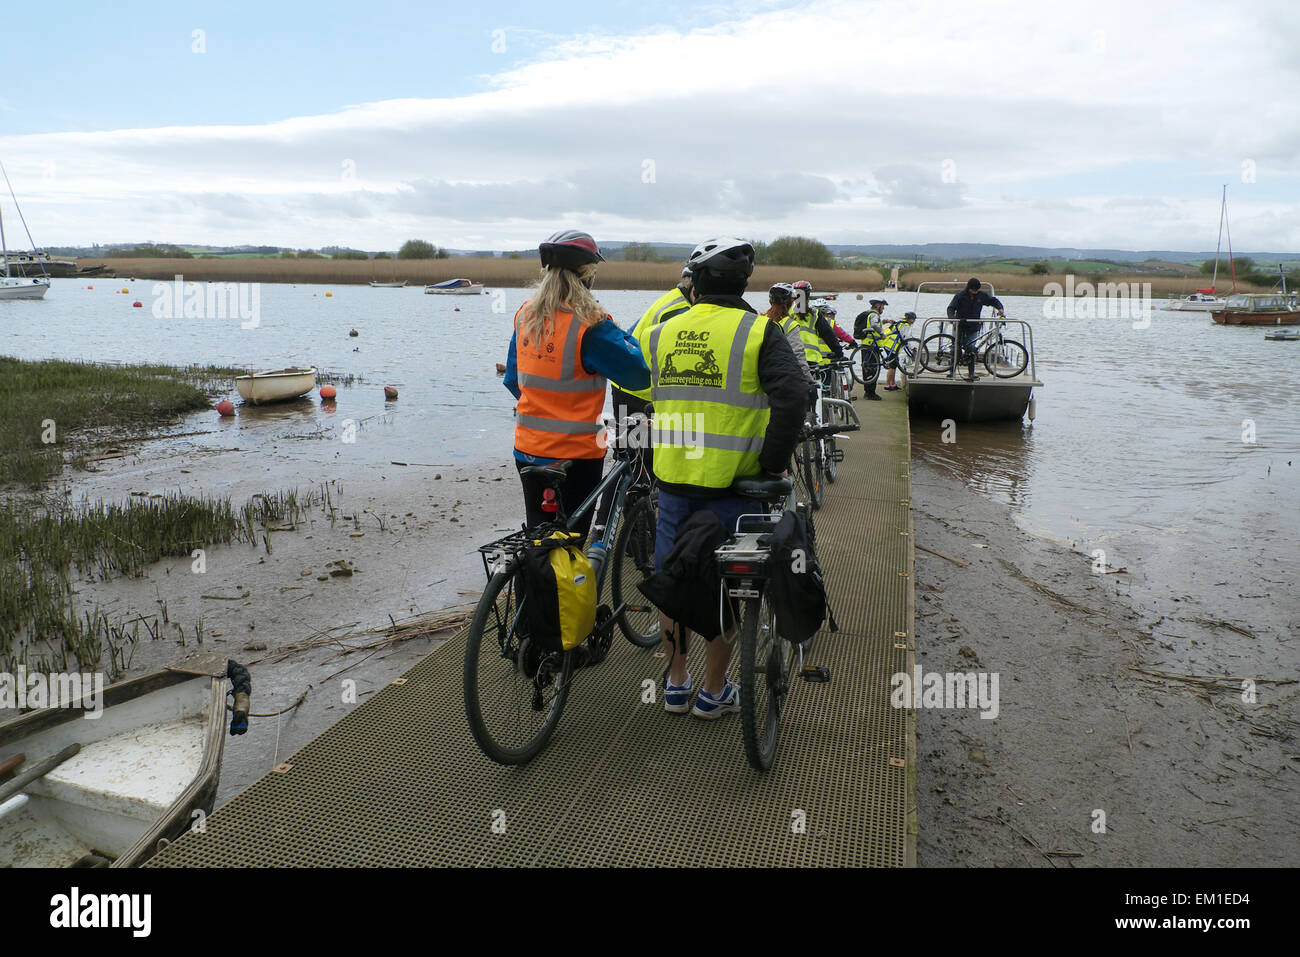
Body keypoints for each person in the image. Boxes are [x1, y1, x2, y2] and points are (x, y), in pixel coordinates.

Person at [638, 237, 805, 719]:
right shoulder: (758, 332)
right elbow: (793, 395)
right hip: (736, 487)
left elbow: (634, 385)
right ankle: (713, 692)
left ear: (695, 282)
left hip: (672, 482)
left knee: (672, 579)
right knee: (729, 585)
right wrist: (774, 463)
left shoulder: (662, 331)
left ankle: (674, 683)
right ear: (742, 283)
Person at [503, 229, 649, 538]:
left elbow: (514, 381)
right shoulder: (592, 324)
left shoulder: (525, 315)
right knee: (570, 544)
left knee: (539, 536)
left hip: (527, 449)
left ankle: (532, 585)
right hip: (576, 457)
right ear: (587, 274)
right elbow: (638, 375)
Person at [946, 277, 1005, 380]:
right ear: (968, 288)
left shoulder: (981, 295)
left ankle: (971, 373)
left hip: (973, 327)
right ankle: (952, 372)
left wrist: (1000, 308)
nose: (975, 292)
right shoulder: (960, 296)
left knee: (971, 350)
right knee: (957, 349)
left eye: (977, 290)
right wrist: (953, 319)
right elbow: (950, 308)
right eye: (973, 290)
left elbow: (992, 300)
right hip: (960, 325)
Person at [853, 298, 890, 399]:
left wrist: (885, 321)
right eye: (882, 306)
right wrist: (882, 333)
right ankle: (870, 393)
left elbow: (875, 323)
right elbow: (874, 324)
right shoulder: (874, 314)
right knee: (872, 369)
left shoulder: (870, 314)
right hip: (871, 345)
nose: (883, 308)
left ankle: (868, 392)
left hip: (867, 344)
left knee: (868, 369)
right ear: (877, 305)